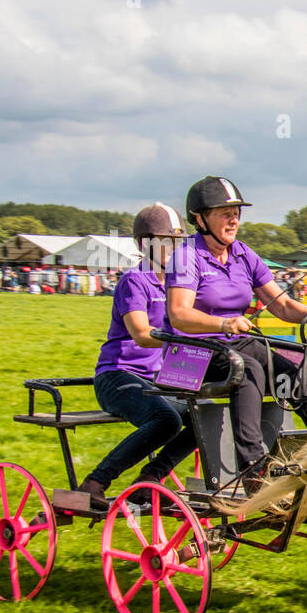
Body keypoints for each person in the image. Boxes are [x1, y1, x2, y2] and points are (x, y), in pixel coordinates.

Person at [167, 176, 307, 491]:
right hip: (193, 353)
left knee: (296, 373)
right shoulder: (186, 256)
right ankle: (253, 469)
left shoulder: (244, 254)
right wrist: (222, 323)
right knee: (247, 369)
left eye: (237, 213)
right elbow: (178, 314)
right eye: (224, 212)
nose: (234, 219)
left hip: (238, 345)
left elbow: (282, 304)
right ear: (200, 218)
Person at [76, 203, 198, 510]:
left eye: (178, 241)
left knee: (205, 416)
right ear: (145, 244)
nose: (174, 248)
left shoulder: (179, 284)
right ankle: (96, 482)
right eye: (166, 241)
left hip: (154, 379)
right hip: (117, 376)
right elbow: (141, 335)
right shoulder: (135, 281)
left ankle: (151, 478)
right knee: (166, 420)